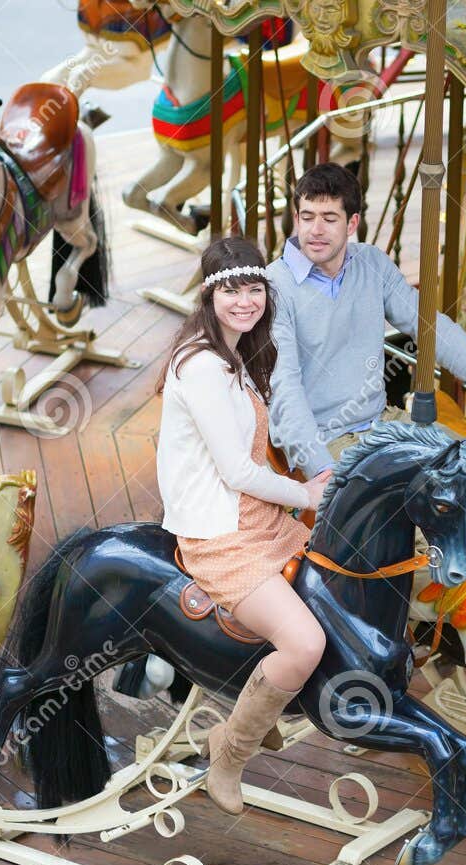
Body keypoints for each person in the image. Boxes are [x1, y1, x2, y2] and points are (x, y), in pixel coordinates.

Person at [155, 236, 328, 815]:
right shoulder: (203, 366)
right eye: (231, 290)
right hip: (221, 534)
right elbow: (235, 469)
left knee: (343, 585)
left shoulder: (234, 358)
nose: (245, 300)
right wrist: (303, 493)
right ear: (210, 296)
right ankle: (228, 753)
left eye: (254, 289)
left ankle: (264, 705)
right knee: (304, 642)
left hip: (260, 519)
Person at [266, 162, 466, 481]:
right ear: (297, 218)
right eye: (308, 216)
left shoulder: (371, 263)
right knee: (425, 505)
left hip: (383, 422)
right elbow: (284, 388)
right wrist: (321, 468)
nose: (315, 230)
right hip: (324, 439)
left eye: (329, 219)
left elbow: (430, 327)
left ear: (352, 223)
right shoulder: (274, 287)